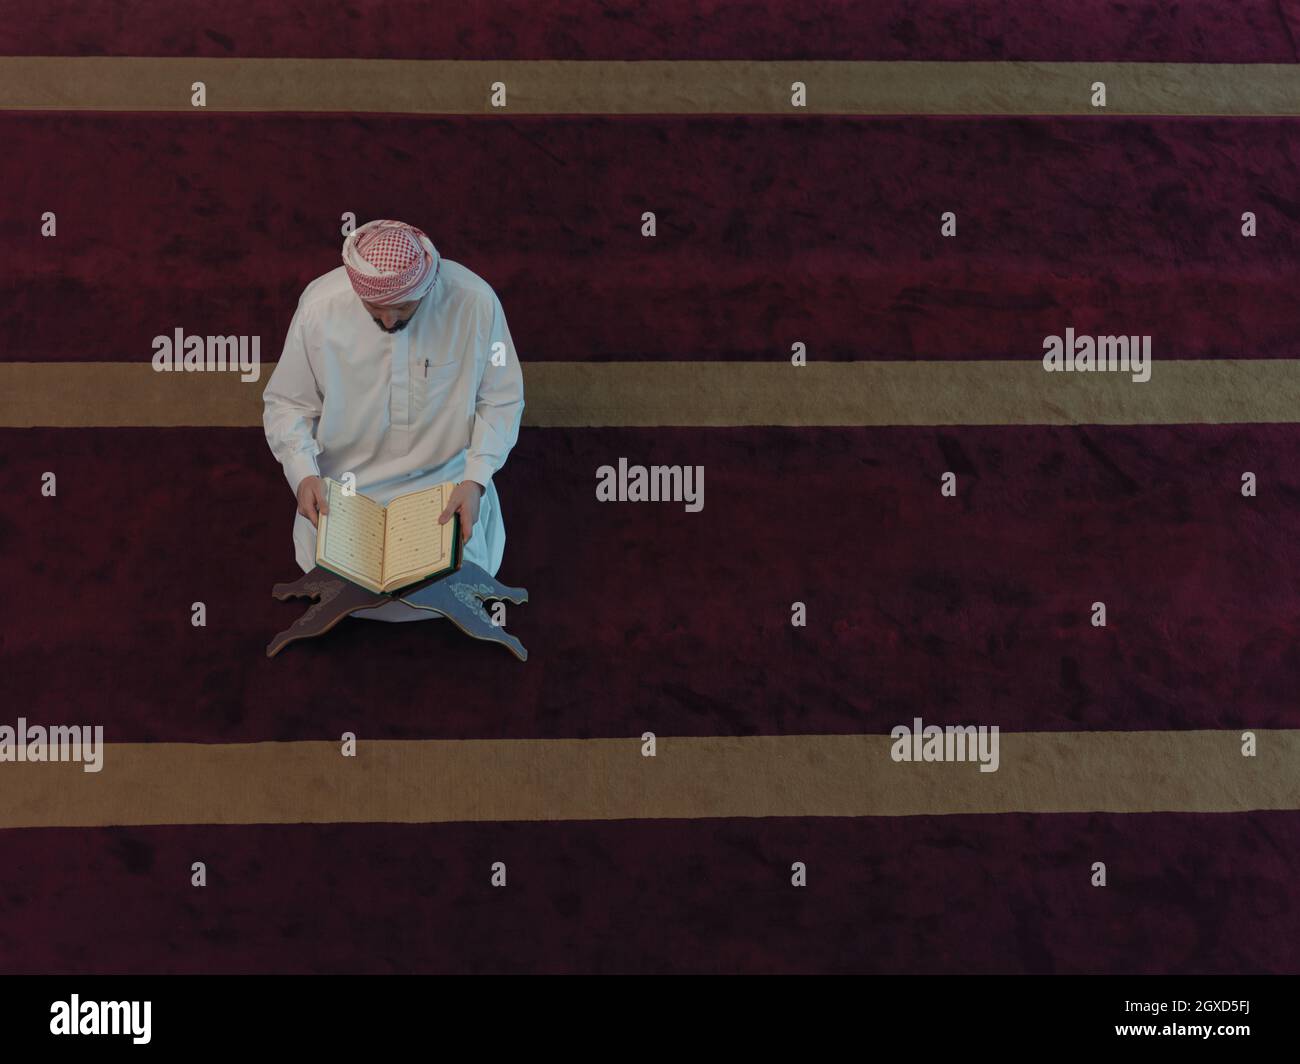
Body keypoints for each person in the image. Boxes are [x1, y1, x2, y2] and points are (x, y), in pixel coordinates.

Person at [263, 219, 525, 621]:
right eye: (375, 309)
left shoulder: (474, 302)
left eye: (404, 308)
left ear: (427, 287)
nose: (389, 322)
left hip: (446, 490)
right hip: (345, 494)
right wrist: (303, 475)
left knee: (459, 572)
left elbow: (501, 398)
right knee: (336, 570)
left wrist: (476, 479)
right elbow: (287, 404)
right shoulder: (320, 307)